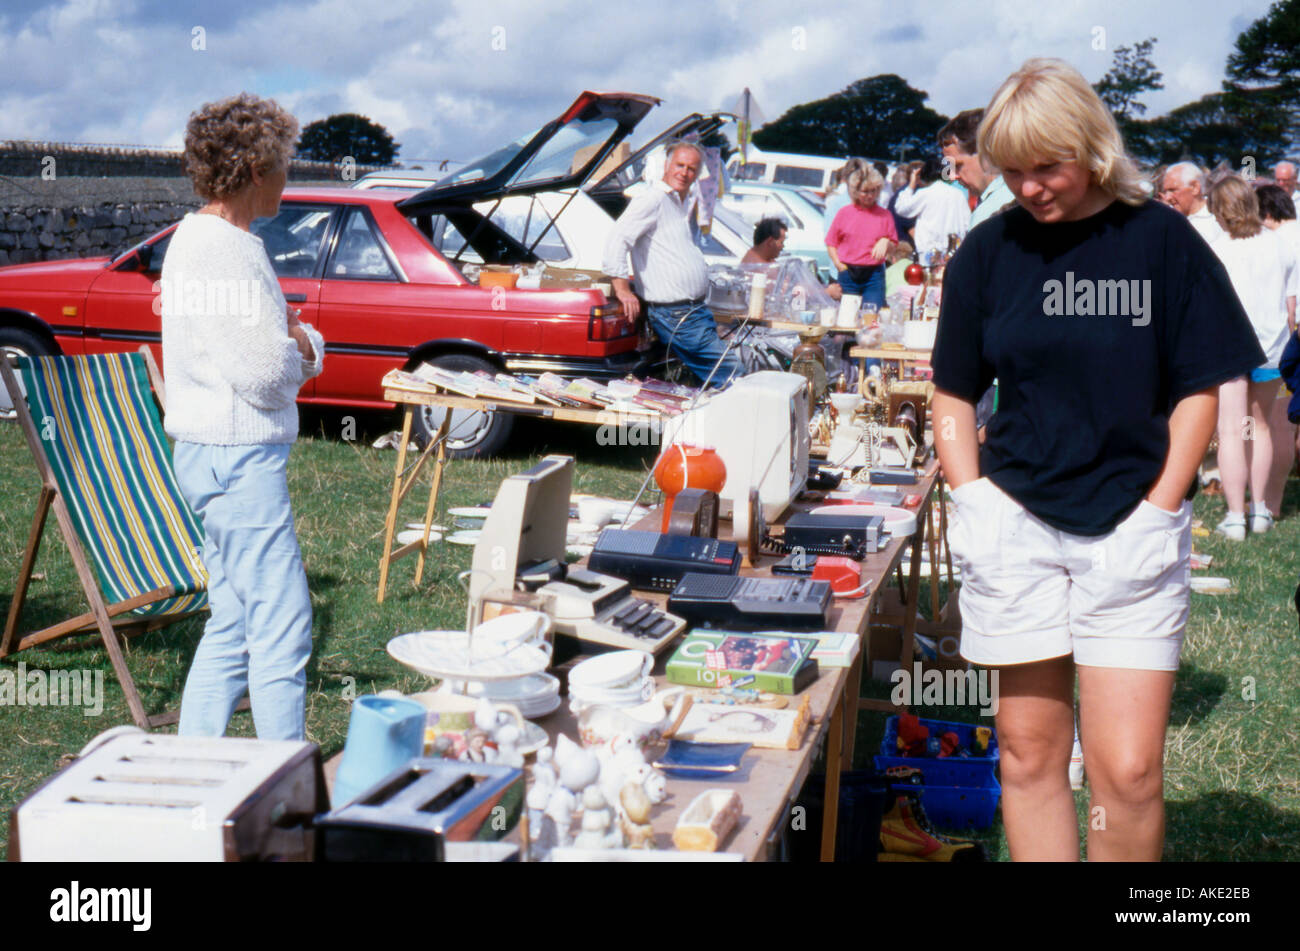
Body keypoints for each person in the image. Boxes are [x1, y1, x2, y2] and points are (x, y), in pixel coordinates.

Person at [932, 59, 1263, 862]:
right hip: (1016, 523)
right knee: (1029, 752)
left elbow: (1201, 385)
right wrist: (974, 499)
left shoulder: (1159, 238)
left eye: (1048, 166)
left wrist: (1163, 503)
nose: (1030, 188)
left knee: (1129, 767)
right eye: (1012, 171)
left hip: (1131, 528)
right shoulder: (988, 251)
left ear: (1092, 145)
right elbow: (953, 395)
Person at [162, 93, 324, 741]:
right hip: (237, 457)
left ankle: (194, 764)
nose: (291, 175)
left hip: (207, 452)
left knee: (232, 619)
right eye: (285, 162)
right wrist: (308, 350)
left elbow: (253, 350)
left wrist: (288, 342)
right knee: (283, 622)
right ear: (256, 170)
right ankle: (284, 782)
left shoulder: (194, 237)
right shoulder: (230, 248)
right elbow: (263, 374)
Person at [603, 141, 742, 388]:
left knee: (716, 378)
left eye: (691, 168)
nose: (684, 172)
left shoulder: (676, 201)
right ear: (667, 166)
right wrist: (622, 290)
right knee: (734, 374)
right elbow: (618, 238)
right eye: (680, 165)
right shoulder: (653, 199)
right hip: (676, 313)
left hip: (691, 312)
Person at [1205, 176, 1297, 539]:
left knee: (1232, 430)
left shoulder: (1214, 247)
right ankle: (1259, 510)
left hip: (1227, 346)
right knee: (1259, 428)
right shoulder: (1280, 245)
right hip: (1271, 346)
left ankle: (1234, 515)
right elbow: (1291, 305)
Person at [1256, 184, 1300, 517]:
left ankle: (1270, 503)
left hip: (1290, 338)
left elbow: (1289, 303)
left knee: (1280, 422)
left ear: (1266, 214)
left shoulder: (1278, 242)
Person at [823, 164, 898, 308]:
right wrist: (839, 265)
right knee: (846, 316)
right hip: (848, 273)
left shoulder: (885, 215)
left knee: (872, 315)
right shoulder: (844, 213)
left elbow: (894, 246)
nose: (870, 196)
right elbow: (831, 242)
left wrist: (885, 241)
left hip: (874, 275)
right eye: (865, 191)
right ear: (855, 191)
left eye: (874, 191)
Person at [937, 109, 1016, 229]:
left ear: (986, 152)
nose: (952, 176)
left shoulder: (988, 214)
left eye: (957, 166)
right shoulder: (1015, 195)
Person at [891, 156, 971, 257]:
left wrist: (911, 184)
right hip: (953, 251)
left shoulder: (925, 193)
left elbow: (901, 208)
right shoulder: (959, 195)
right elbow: (967, 223)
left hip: (929, 252)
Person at [1159, 162, 1223, 245]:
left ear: (1195, 187)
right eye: (1165, 191)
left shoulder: (1219, 218)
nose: (1167, 197)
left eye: (1173, 190)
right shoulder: (1168, 220)